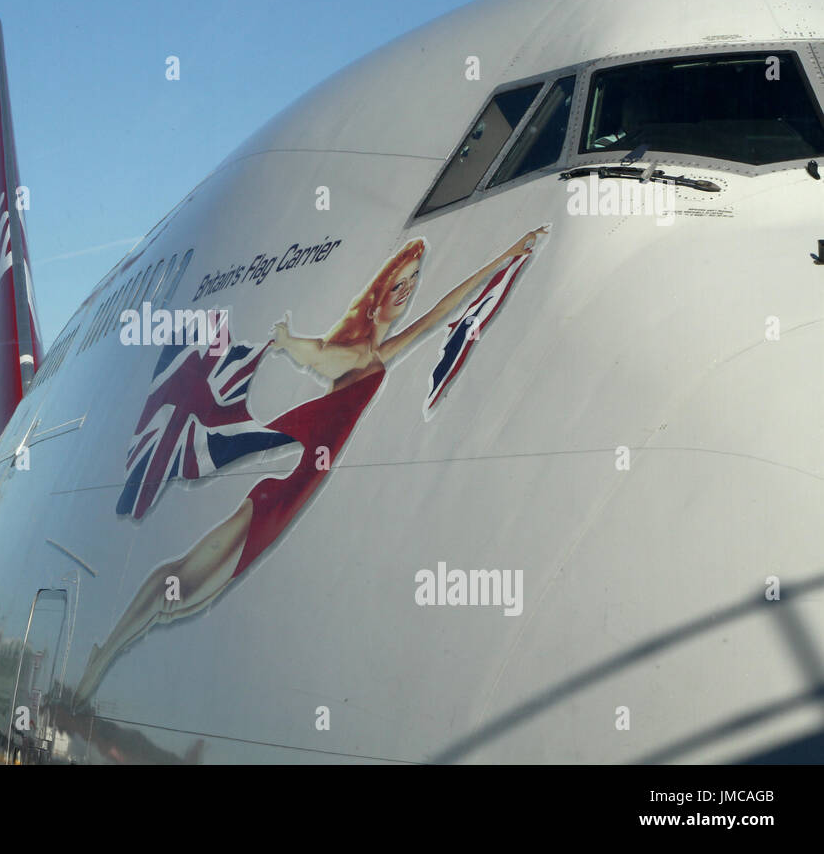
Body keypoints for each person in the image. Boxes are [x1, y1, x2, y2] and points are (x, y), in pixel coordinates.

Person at [73, 227, 547, 705]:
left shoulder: (379, 352)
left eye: (413, 282)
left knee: (190, 596)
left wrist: (506, 253)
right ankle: (102, 655)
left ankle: (108, 651)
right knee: (181, 585)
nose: (405, 293)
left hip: (297, 492)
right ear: (378, 294)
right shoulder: (353, 353)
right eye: (398, 284)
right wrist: (290, 341)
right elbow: (315, 354)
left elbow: (442, 310)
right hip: (283, 487)